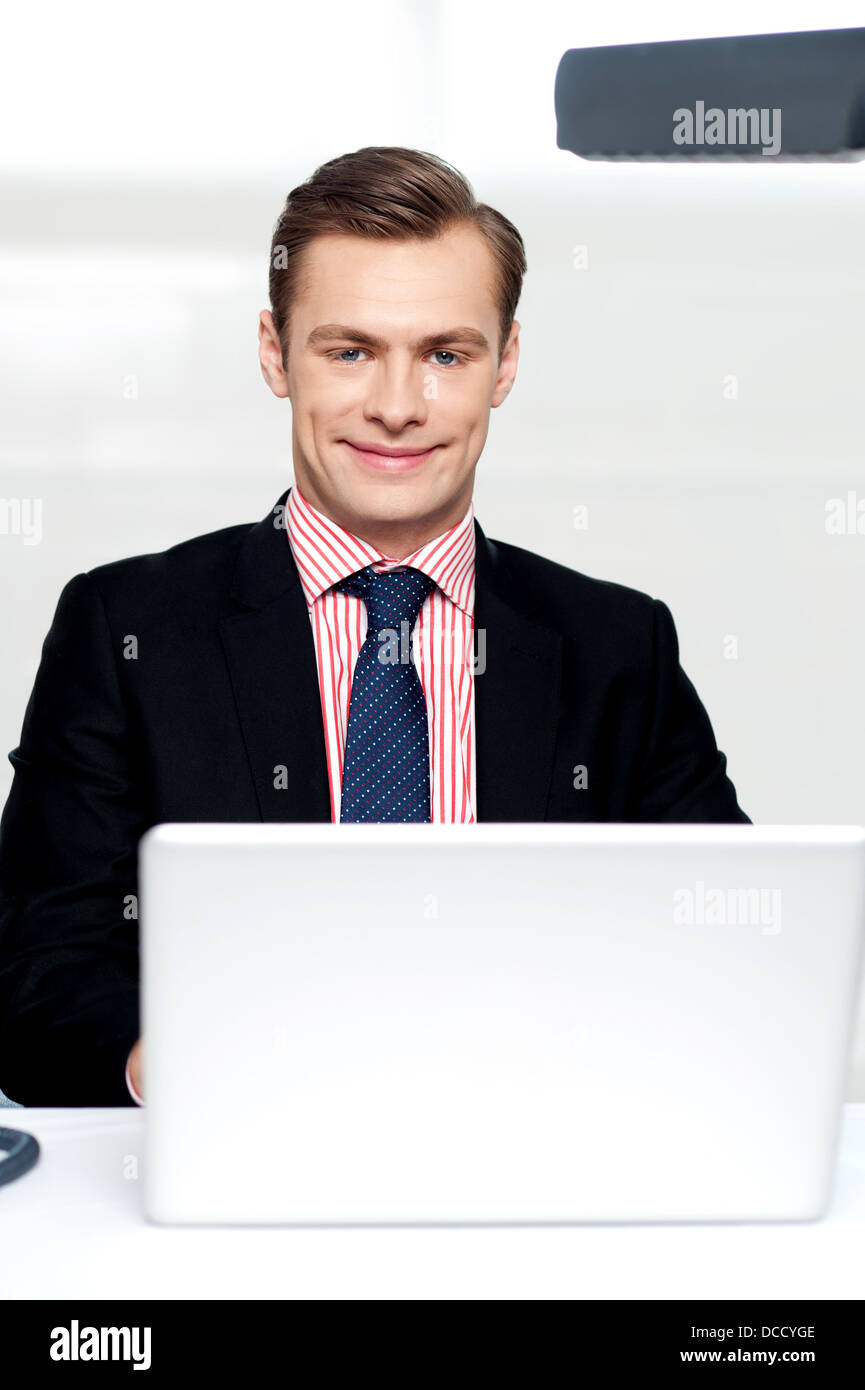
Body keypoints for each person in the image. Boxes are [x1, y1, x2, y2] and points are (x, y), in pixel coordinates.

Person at [0, 146, 750, 1108]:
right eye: (349, 351)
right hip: (229, 1161)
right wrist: (180, 1069)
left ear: (504, 363)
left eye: (445, 354)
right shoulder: (126, 627)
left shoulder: (618, 646)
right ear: (275, 353)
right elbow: (36, 973)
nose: (397, 408)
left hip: (542, 1152)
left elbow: (731, 942)